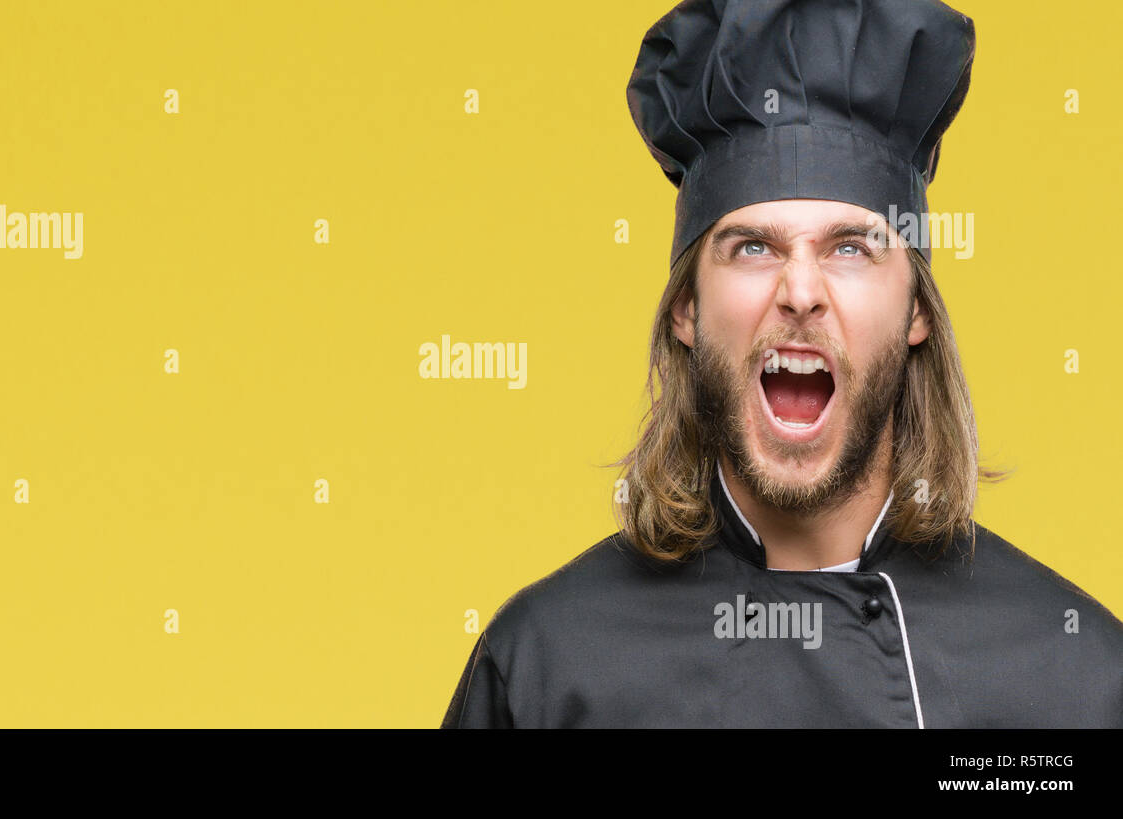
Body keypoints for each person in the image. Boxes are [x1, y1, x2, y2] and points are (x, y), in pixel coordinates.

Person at [440, 0, 1123, 728]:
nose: (800, 291)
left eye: (852, 247)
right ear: (688, 311)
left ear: (917, 311)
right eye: (753, 246)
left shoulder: (1074, 677)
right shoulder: (549, 669)